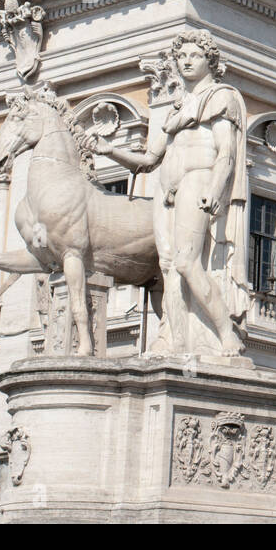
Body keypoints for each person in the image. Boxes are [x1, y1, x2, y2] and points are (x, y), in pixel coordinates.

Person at [95, 29, 248, 356]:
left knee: (187, 262)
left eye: (195, 55)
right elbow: (149, 160)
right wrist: (111, 152)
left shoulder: (220, 98)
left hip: (198, 181)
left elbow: (227, 153)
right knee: (168, 268)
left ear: (210, 61)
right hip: (167, 190)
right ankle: (174, 341)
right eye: (181, 57)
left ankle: (226, 334)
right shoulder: (177, 109)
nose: (186, 61)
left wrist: (215, 188)